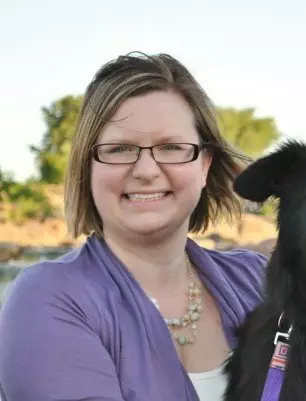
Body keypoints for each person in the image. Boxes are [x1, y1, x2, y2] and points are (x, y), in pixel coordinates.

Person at [0, 52, 267, 401]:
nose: (146, 170)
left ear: (204, 164)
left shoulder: (261, 281)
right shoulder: (50, 299)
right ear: (88, 166)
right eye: (120, 149)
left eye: (171, 147)